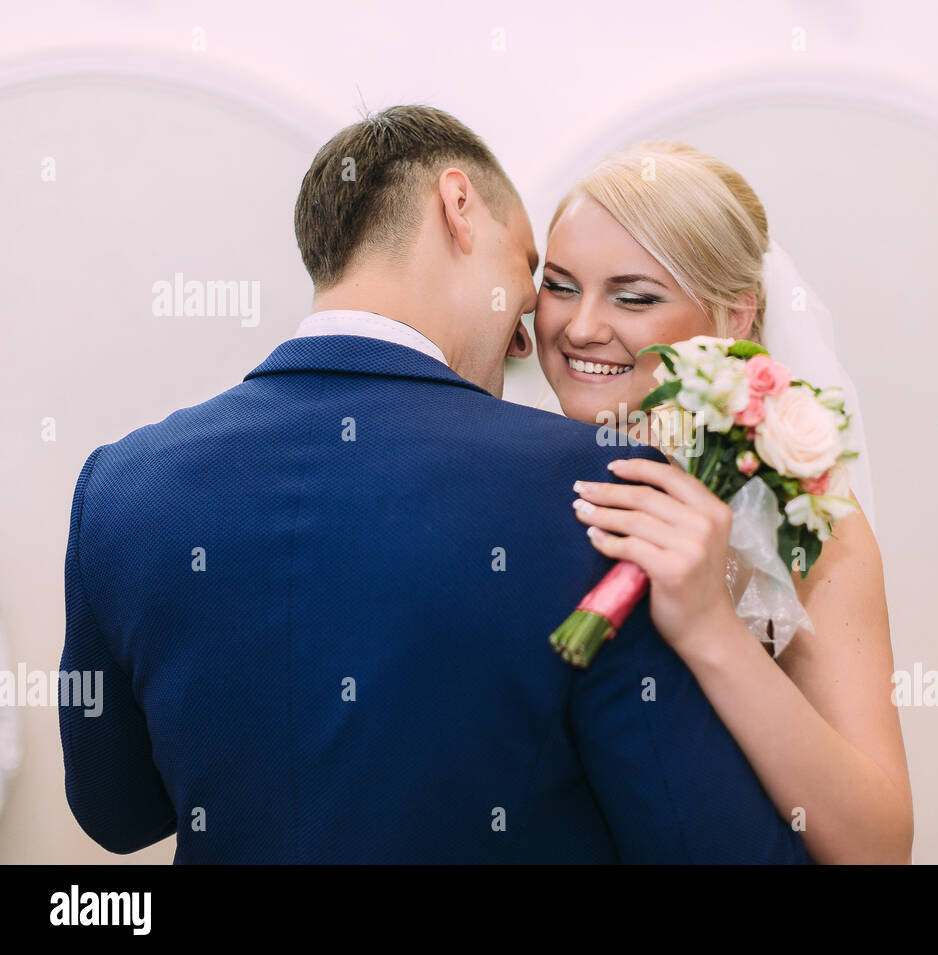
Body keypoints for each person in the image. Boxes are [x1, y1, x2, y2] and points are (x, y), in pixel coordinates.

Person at [57, 106, 811, 863]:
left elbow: (116, 815)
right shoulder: (598, 484)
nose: (528, 336)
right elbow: (708, 842)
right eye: (533, 276)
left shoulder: (120, 485)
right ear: (459, 208)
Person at [533, 141, 913, 864]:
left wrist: (710, 624)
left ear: (736, 317)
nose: (580, 327)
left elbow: (877, 846)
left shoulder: (807, 523)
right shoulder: (515, 482)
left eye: (633, 296)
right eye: (558, 285)